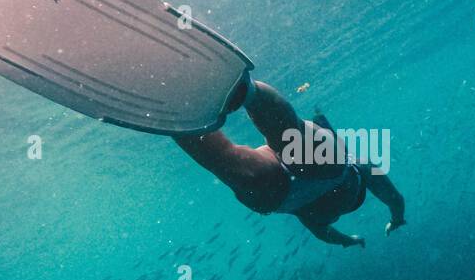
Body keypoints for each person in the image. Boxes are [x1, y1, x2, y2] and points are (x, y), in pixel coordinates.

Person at [174, 76, 406, 247]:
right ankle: (243, 90)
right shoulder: (359, 165)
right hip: (331, 176)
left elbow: (330, 235)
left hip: (288, 199)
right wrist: (396, 219)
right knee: (291, 140)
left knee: (247, 173)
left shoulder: (318, 224)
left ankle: (178, 115)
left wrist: (353, 240)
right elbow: (394, 198)